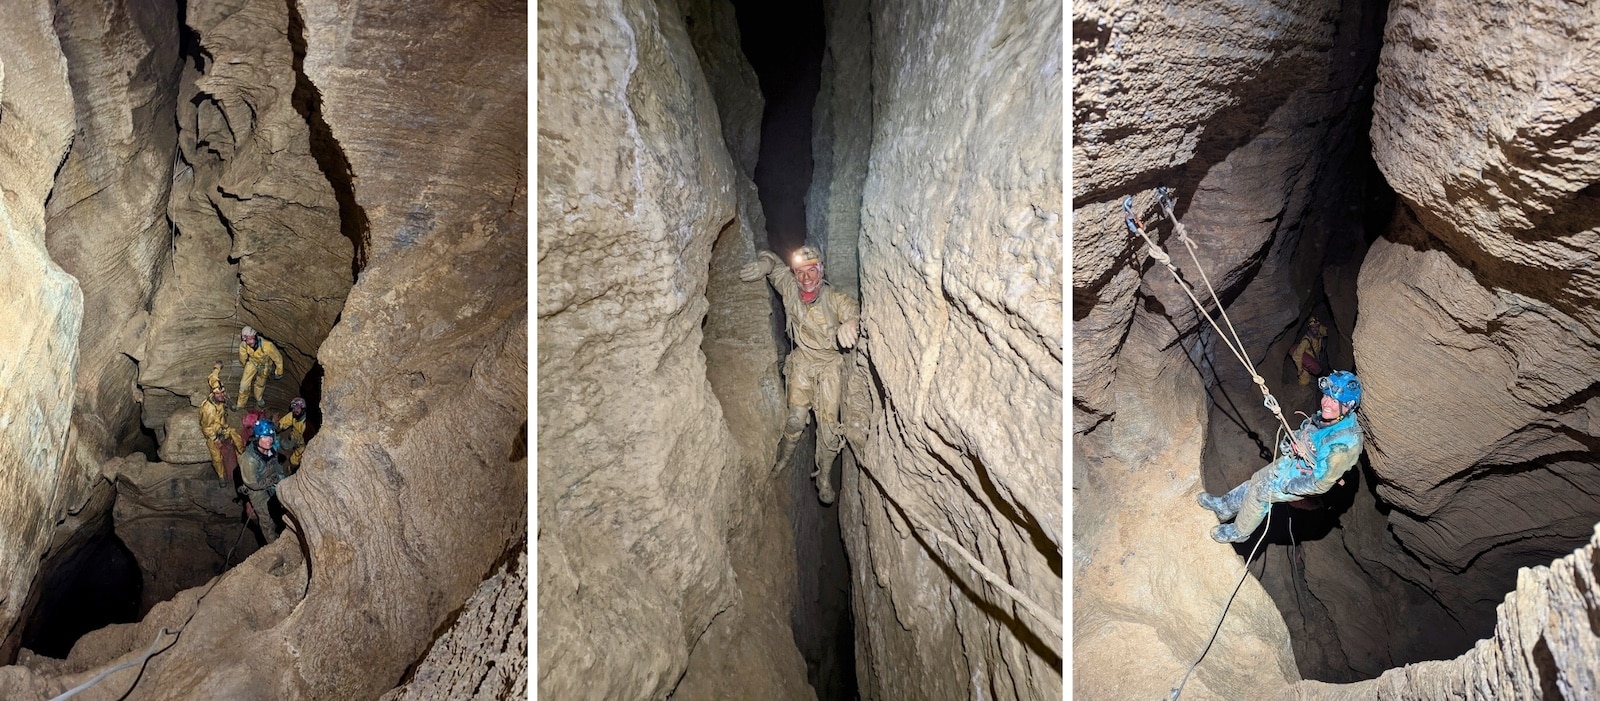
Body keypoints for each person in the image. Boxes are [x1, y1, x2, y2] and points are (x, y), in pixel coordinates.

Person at [740, 244, 860, 504]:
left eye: (812, 271)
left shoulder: (833, 298)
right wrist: (763, 264)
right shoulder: (789, 288)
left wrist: (851, 324)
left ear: (821, 269)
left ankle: (824, 475)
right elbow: (772, 262)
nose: (806, 278)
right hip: (803, 362)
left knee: (829, 430)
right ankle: (784, 459)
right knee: (795, 420)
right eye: (800, 272)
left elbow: (854, 311)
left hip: (829, 367)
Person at [1199, 370, 1365, 543]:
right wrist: (1291, 442)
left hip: (1304, 478)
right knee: (1256, 480)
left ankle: (1239, 532)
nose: (1326, 403)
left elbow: (1320, 483)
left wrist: (1290, 486)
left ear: (1348, 406)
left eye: (1334, 400)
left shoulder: (1344, 444)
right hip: (1294, 462)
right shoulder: (1332, 417)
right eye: (1326, 396)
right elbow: (1309, 432)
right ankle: (1224, 507)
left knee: (1260, 493)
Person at [238, 420, 288, 543]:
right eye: (265, 437)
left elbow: (277, 467)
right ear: (257, 438)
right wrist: (273, 480)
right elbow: (253, 484)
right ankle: (273, 545)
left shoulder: (271, 451)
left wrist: (283, 481)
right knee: (267, 518)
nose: (269, 440)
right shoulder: (249, 459)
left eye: (271, 436)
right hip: (257, 491)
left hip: (271, 483)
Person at [199, 363, 243, 483]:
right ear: (213, 394)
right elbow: (206, 427)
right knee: (217, 457)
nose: (221, 395)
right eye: (218, 394)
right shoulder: (208, 409)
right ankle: (221, 476)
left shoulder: (217, 386)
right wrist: (215, 439)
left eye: (222, 393)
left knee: (236, 436)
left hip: (223, 427)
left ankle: (242, 455)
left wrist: (217, 368)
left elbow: (212, 377)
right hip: (213, 432)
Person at [236, 325, 285, 410]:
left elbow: (278, 358)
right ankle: (240, 404)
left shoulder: (268, 346)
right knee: (243, 385)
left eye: (250, 339)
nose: (248, 342)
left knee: (260, 383)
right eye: (246, 340)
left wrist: (279, 372)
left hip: (264, 366)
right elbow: (242, 354)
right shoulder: (244, 344)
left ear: (255, 336)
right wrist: (244, 363)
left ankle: (258, 398)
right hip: (252, 363)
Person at [1289, 316, 1328, 386]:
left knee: (1319, 367)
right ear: (1309, 328)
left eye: (1317, 326)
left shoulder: (1319, 332)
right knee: (1304, 381)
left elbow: (1325, 330)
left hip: (1316, 357)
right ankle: (1301, 389)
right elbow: (1297, 355)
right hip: (1307, 358)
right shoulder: (1306, 341)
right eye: (1313, 327)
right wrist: (1299, 369)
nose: (1315, 329)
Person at [277, 397, 309, 472]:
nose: (295, 410)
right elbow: (284, 422)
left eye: (297, 408)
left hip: (302, 445)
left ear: (303, 409)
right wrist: (277, 426)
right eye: (293, 408)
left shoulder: (306, 425)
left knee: (293, 460)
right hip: (293, 437)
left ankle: (291, 469)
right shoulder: (294, 416)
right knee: (284, 445)